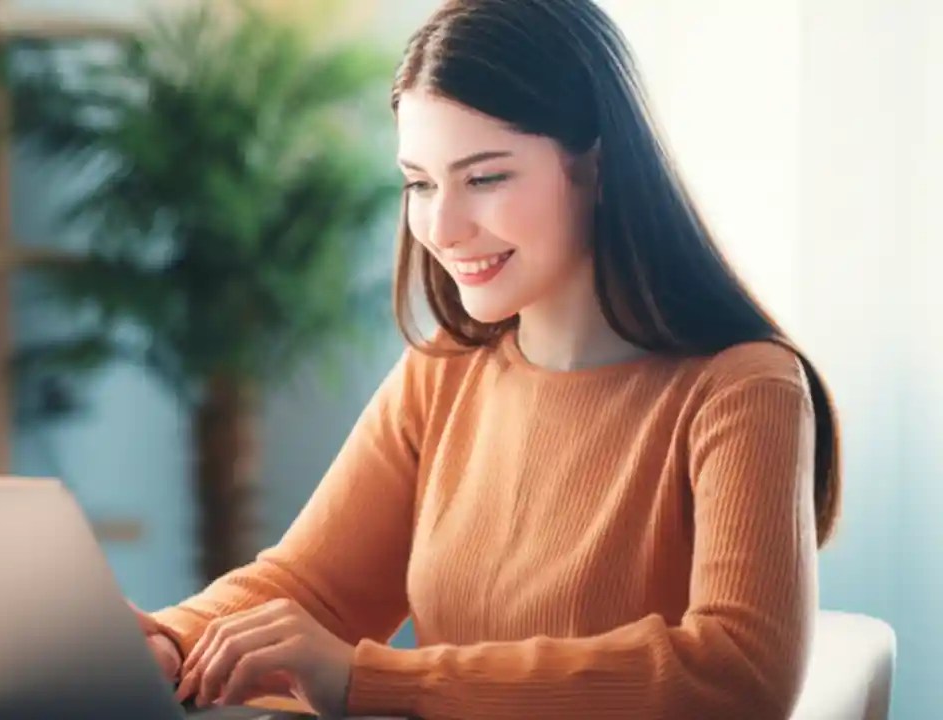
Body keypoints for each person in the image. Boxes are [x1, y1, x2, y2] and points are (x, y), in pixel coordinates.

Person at [133, 0, 842, 717]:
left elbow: (738, 676)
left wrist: (375, 681)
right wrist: (169, 638)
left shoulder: (744, 389)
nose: (442, 226)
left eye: (485, 178)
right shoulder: (444, 371)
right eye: (420, 182)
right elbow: (316, 586)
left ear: (595, 169)